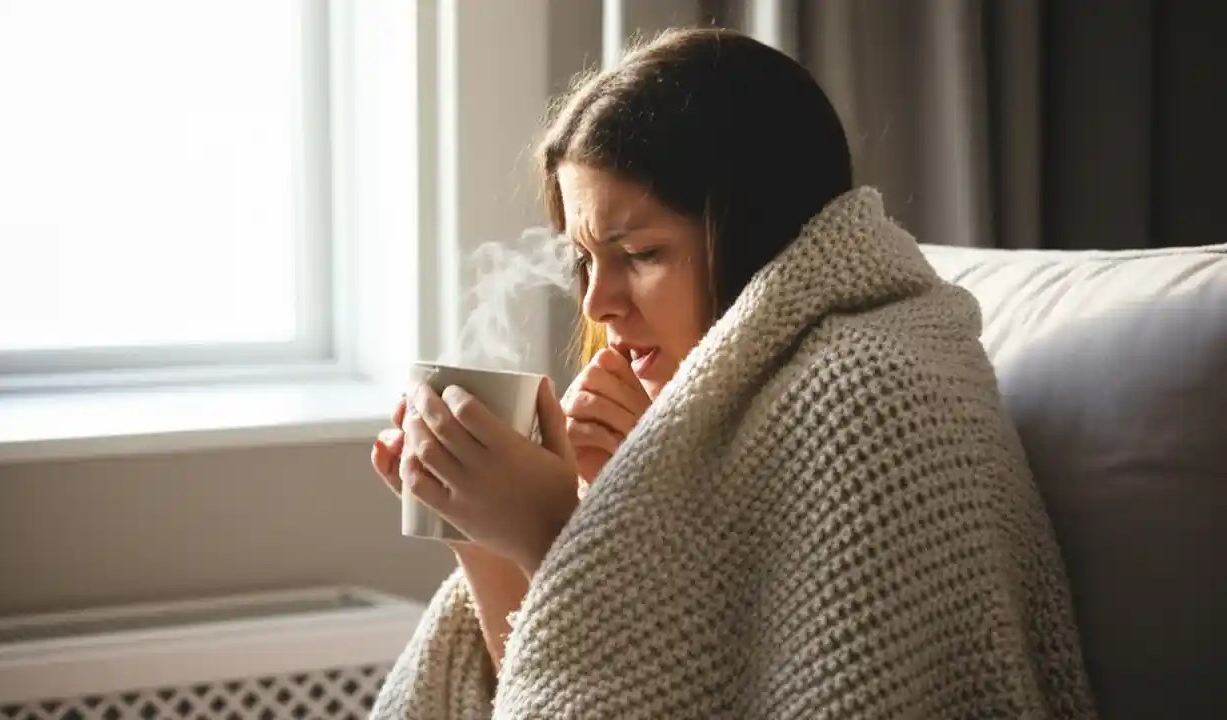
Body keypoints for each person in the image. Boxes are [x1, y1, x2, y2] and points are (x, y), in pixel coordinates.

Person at [369, 27, 1096, 719]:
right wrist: (485, 534)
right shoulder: (701, 409)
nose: (597, 303)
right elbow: (546, 691)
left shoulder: (872, 393)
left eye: (641, 255)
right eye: (585, 259)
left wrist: (549, 528)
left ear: (754, 229)